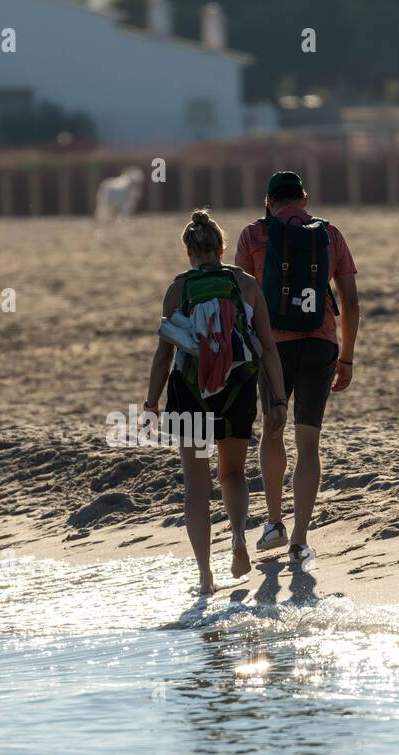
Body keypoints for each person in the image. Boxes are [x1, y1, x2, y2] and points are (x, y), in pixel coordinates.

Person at [145, 209, 288, 596]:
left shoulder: (178, 290)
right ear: (222, 248)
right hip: (236, 387)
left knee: (196, 486)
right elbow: (269, 348)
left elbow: (164, 355)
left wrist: (150, 403)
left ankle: (205, 578)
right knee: (233, 474)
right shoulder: (245, 284)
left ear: (189, 252)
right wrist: (278, 399)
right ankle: (239, 537)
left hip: (190, 391)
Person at [235, 171, 361, 570]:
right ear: (304, 199)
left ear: (268, 200)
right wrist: (347, 358)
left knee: (274, 428)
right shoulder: (330, 234)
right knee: (309, 441)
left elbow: (241, 301)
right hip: (321, 342)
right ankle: (301, 541)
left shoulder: (253, 235)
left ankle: (275, 524)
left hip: (273, 348)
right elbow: (351, 301)